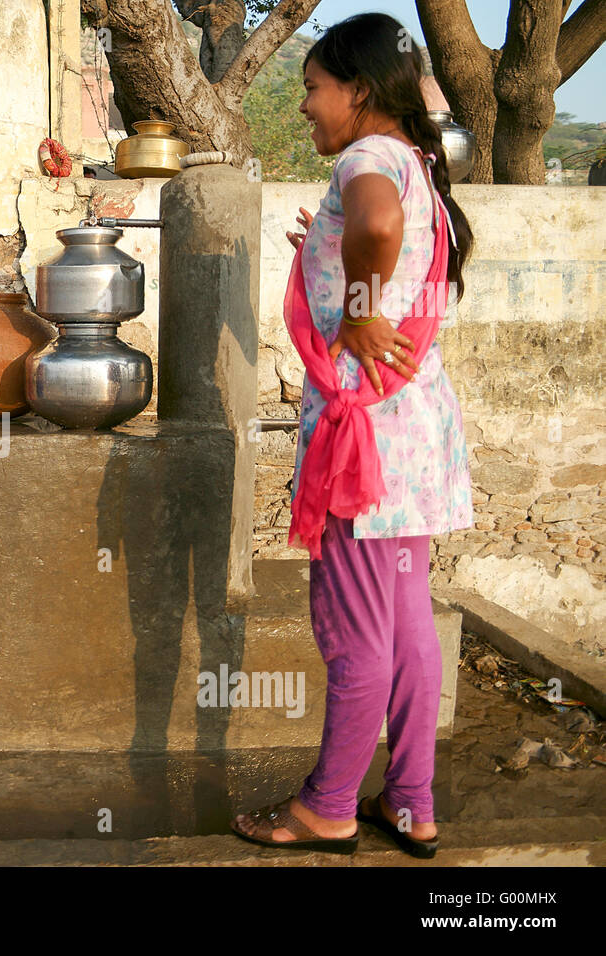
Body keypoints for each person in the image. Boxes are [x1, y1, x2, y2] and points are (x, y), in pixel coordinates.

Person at [231, 13, 473, 857]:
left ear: (358, 91)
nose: (304, 105)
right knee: (407, 629)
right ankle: (410, 801)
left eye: (311, 88)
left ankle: (329, 806)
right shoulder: (415, 163)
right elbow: (375, 240)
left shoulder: (368, 160)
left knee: (355, 634)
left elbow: (375, 229)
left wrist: (361, 313)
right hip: (412, 440)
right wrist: (325, 256)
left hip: (364, 446)